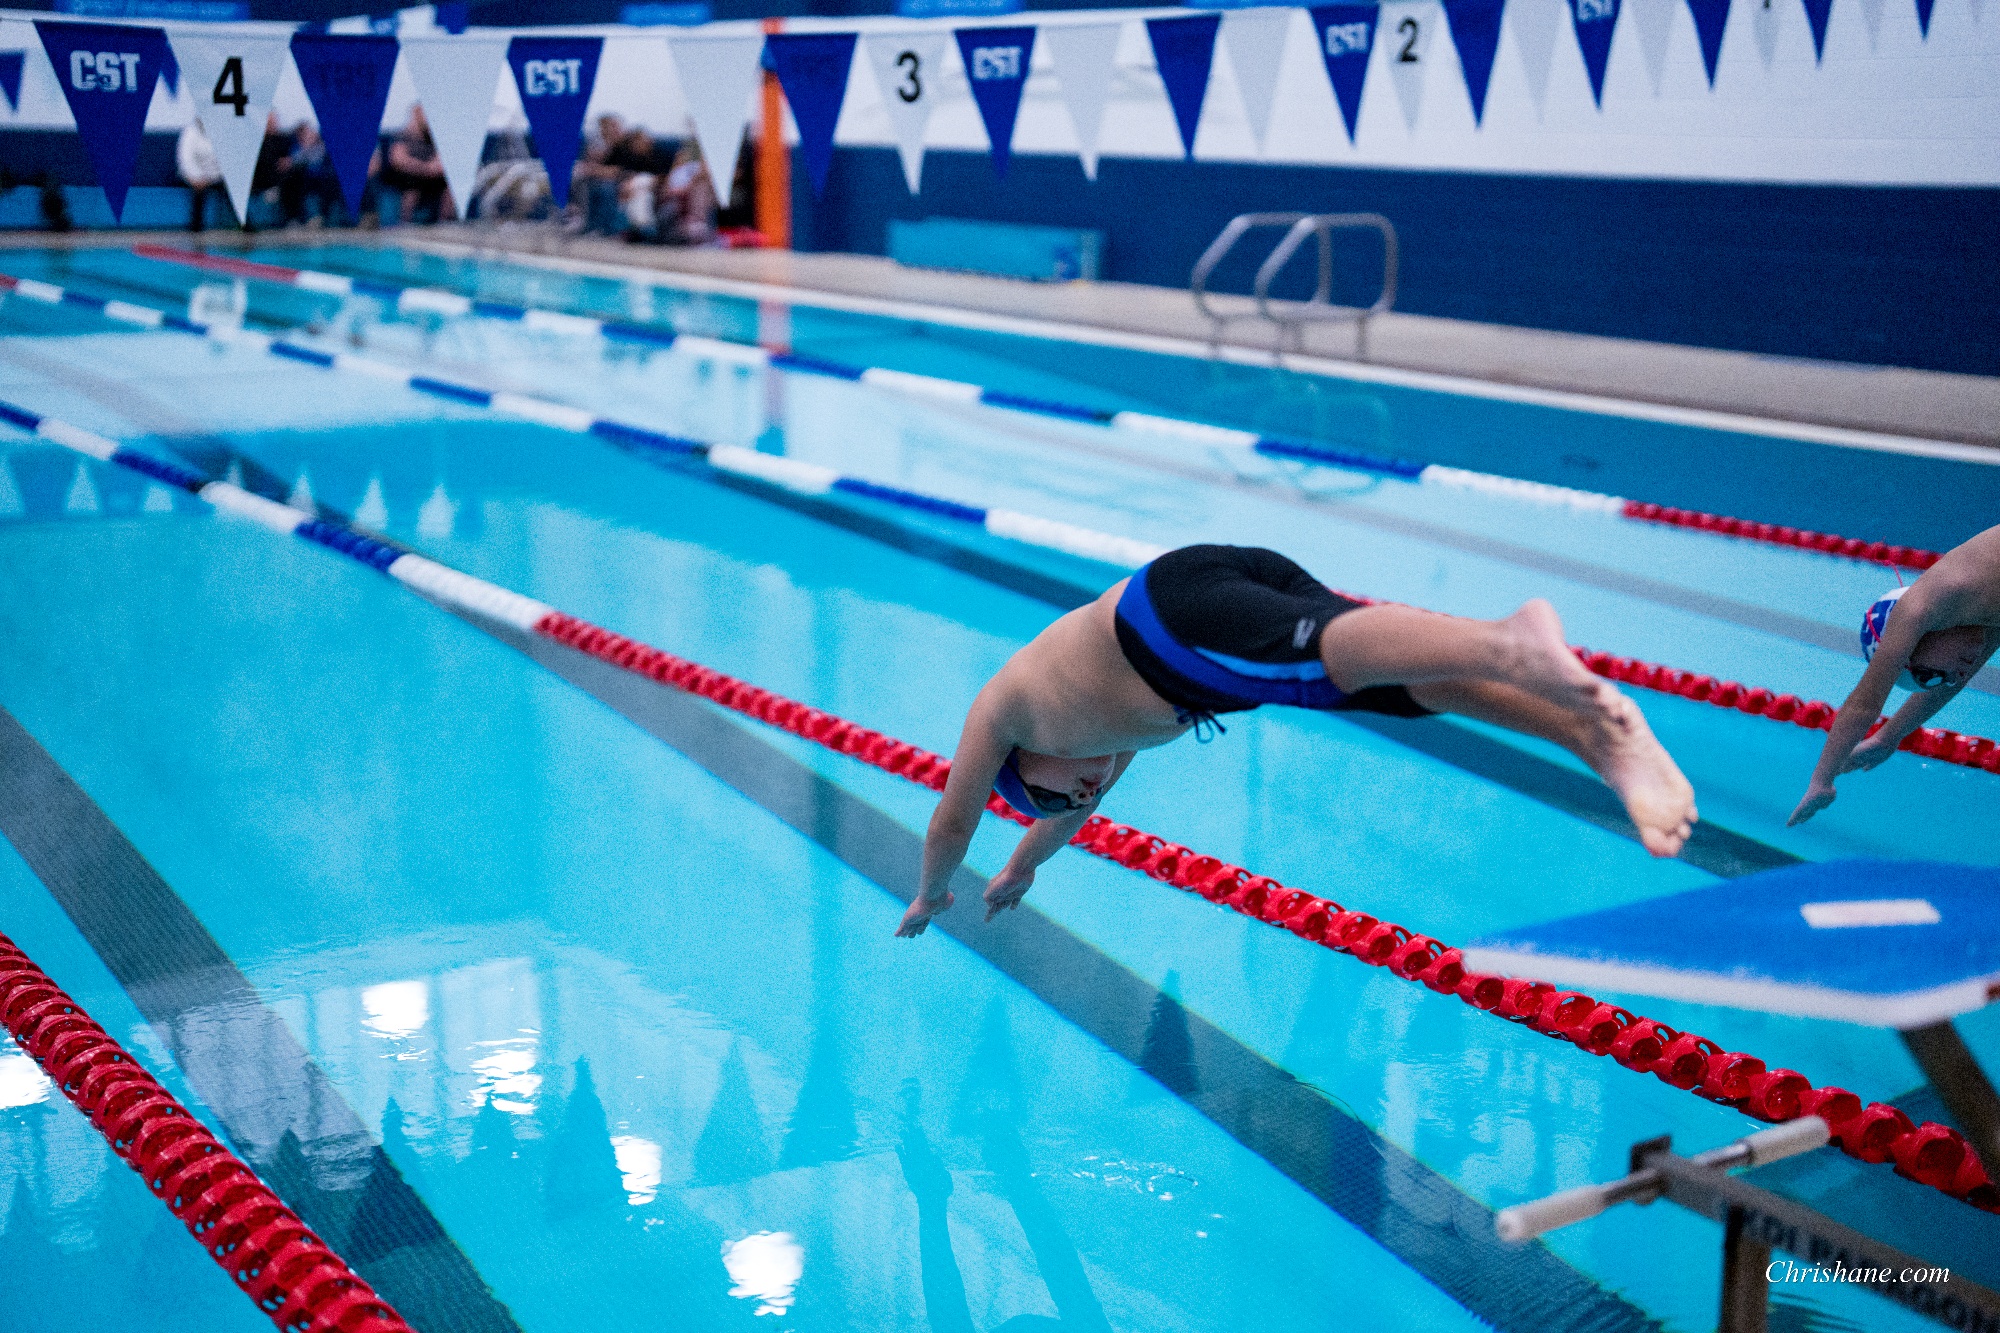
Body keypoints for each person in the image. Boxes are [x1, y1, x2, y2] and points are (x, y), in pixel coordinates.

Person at [896, 545, 1699, 937]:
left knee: (1330, 657)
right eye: (1075, 800)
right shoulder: (1100, 749)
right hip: (1214, 601)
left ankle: (1506, 643)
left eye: (1054, 792)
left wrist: (934, 891)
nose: (1081, 793)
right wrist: (1023, 865)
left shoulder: (1005, 712)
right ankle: (1593, 737)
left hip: (1170, 619)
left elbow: (951, 820)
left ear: (1018, 767)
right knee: (1399, 690)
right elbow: (1063, 820)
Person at [1788, 524, 2000, 826]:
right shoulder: (1989, 616)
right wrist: (1889, 736)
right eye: (1946, 678)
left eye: (1930, 676)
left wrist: (1822, 780)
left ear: (1909, 645)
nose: (1955, 676)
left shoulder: (1922, 607)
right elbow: (1956, 684)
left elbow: (1864, 704)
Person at [381, 106, 449, 224]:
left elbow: (442, 161)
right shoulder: (403, 135)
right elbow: (398, 160)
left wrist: (431, 169)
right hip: (407, 175)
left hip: (429, 175)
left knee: (450, 183)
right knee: (412, 183)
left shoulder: (435, 138)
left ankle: (445, 221)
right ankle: (405, 221)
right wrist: (423, 168)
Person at [176, 116, 223, 232]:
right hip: (192, 176)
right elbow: (185, 159)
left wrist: (215, 176)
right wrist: (197, 178)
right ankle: (196, 229)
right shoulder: (190, 133)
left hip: (216, 176)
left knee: (232, 189)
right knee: (199, 190)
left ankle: (245, 225)